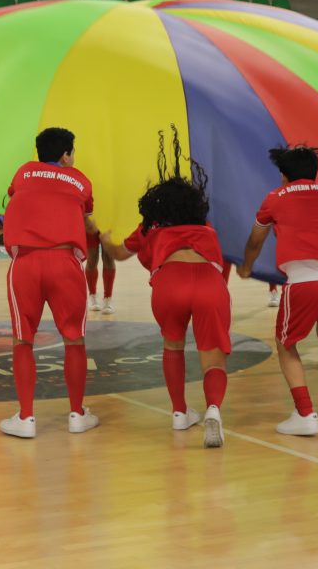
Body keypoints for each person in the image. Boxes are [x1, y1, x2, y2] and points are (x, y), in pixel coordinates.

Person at [103, 141, 230, 448]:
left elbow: (119, 254)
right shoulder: (206, 226)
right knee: (212, 353)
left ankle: (179, 412)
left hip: (169, 281)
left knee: (172, 345)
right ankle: (213, 409)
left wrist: (105, 238)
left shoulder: (150, 228)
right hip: (208, 282)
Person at [240, 144, 318, 437]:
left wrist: (245, 267)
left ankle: (305, 413)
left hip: (307, 279)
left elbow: (256, 241)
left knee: (286, 343)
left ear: (283, 175)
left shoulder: (275, 197)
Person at [0, 127, 99, 439]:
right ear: (66, 155)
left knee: (22, 340)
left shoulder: (23, 172)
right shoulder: (80, 179)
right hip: (64, 262)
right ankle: (77, 415)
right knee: (74, 340)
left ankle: (26, 418)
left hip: (25, 263)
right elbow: (87, 217)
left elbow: (17, 197)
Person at [86, 213, 116, 315]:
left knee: (108, 257)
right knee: (92, 258)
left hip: (108, 218)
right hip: (90, 216)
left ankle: (108, 298)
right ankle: (92, 295)